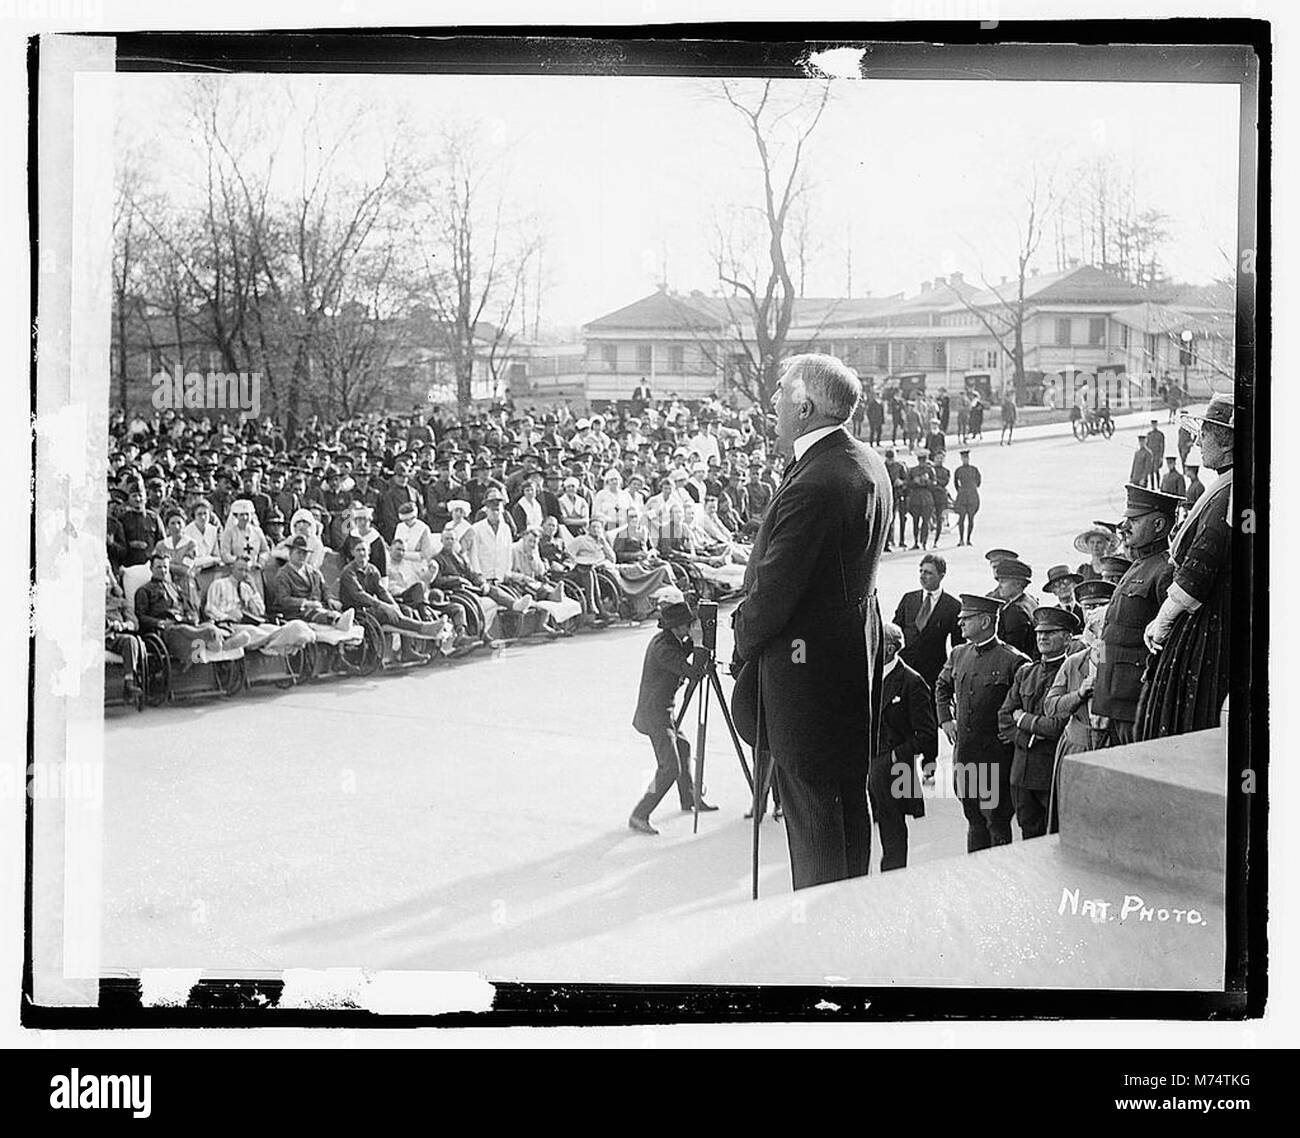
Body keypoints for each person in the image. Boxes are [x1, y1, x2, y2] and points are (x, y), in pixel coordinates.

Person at [730, 353, 893, 891]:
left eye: (780, 393)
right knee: (846, 808)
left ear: (804, 407)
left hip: (806, 677)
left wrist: (740, 641)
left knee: (814, 820)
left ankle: (824, 947)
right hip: (849, 664)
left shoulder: (813, 482)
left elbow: (772, 596)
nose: (773, 402)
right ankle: (850, 927)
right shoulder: (866, 462)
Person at [1136, 394, 1234, 739]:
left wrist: (1162, 621)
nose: (1198, 441)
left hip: (1209, 623)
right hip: (1216, 618)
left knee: (1182, 722)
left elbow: (1200, 566)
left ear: (1228, 444)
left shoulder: (1229, 494)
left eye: (1205, 434)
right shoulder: (1227, 488)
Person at [935, 593, 1030, 852]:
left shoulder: (1014, 661)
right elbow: (942, 686)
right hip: (965, 755)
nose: (960, 623)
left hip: (996, 761)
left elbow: (1029, 703)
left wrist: (1012, 732)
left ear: (986, 621)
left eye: (967, 618)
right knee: (974, 820)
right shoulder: (958, 654)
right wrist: (945, 719)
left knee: (996, 824)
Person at [1091, 484, 1180, 746]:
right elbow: (1109, 635)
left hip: (1136, 703)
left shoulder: (1165, 570)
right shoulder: (1138, 567)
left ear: (1159, 525)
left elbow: (1168, 645)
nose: (1123, 526)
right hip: (1114, 700)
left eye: (1134, 520)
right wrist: (1100, 694)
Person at [627, 601, 716, 833]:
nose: (690, 627)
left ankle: (689, 799)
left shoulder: (669, 640)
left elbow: (684, 651)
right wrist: (698, 643)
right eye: (688, 624)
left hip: (663, 709)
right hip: (655, 714)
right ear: (676, 627)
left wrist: (697, 642)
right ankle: (640, 814)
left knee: (683, 747)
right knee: (669, 768)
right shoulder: (664, 648)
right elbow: (694, 672)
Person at [999, 606, 1078, 839]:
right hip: (1021, 772)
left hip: (1050, 772)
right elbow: (1004, 716)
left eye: (1051, 632)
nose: (1042, 637)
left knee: (1054, 835)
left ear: (1067, 638)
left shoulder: (1072, 674)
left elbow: (1057, 726)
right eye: (1039, 633)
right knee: (1028, 833)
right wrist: (1030, 736)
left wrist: (1022, 718)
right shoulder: (1026, 672)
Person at [869, 621, 938, 870]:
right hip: (866, 764)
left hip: (895, 767)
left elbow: (927, 734)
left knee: (892, 830)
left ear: (888, 648)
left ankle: (893, 882)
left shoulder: (912, 682)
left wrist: (895, 756)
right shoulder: (866, 674)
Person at [892, 554, 961, 781]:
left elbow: (958, 646)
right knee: (901, 718)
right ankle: (904, 767)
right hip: (904, 670)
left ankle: (929, 766)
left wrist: (952, 674)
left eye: (929, 572)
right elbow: (894, 630)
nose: (923, 576)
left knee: (928, 720)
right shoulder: (909, 599)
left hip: (933, 672)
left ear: (941, 575)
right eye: (921, 571)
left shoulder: (952, 606)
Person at [204, 553, 316, 654]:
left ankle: (285, 638)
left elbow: (260, 611)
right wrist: (228, 616)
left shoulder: (247, 588)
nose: (243, 573)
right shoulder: (219, 584)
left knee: (270, 629)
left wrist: (254, 590)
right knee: (254, 632)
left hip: (250, 621)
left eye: (247, 571)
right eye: (240, 569)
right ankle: (278, 643)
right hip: (230, 625)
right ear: (232, 569)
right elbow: (209, 609)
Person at [268, 535, 356, 631]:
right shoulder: (283, 575)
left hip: (319, 608)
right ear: (290, 553)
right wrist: (306, 603)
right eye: (299, 553)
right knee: (324, 615)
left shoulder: (313, 571)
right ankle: (337, 620)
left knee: (338, 612)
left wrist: (330, 599)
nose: (302, 556)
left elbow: (324, 588)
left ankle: (339, 620)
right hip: (296, 613)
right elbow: (283, 600)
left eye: (304, 553)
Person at [992, 558, 1039, 660]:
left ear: (1018, 584)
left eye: (1003, 581)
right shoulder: (1030, 600)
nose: (999, 586)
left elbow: (1012, 650)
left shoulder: (1014, 611)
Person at [905, 451, 936, 550]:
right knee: (915, 521)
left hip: (927, 497)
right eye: (920, 460)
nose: (922, 462)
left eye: (924, 460)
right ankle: (915, 542)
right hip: (915, 497)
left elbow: (934, 484)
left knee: (926, 521)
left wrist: (927, 481)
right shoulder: (913, 470)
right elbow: (907, 483)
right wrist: (915, 481)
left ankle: (924, 542)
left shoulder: (930, 470)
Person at [952, 449, 981, 545]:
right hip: (962, 496)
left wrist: (972, 489)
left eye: (967, 458)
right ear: (961, 459)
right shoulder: (958, 470)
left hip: (972, 496)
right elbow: (955, 483)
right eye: (963, 458)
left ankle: (968, 539)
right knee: (961, 518)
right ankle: (961, 539)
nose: (965, 460)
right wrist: (961, 491)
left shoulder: (974, 469)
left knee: (971, 518)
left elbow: (978, 482)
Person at [1145, 419, 1166, 488]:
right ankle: (1152, 486)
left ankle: (1158, 485)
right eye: (1152, 425)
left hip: (1157, 455)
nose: (1154, 426)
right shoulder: (1149, 434)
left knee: (1156, 470)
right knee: (1150, 471)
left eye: (1155, 424)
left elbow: (1162, 446)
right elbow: (1147, 445)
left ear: (1156, 425)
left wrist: (1161, 457)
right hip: (1151, 456)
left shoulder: (1160, 434)